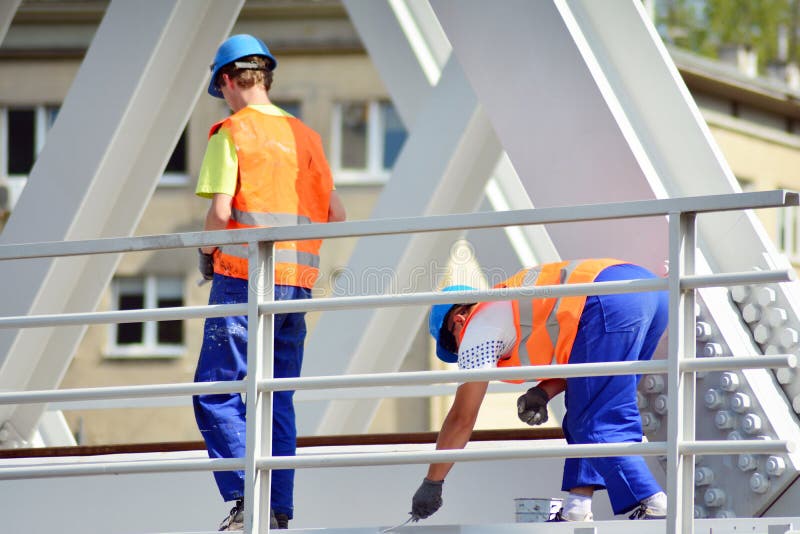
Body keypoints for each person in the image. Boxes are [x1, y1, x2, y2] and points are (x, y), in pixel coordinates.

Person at [192, 34, 346, 531]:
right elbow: (336, 215)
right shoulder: (307, 137)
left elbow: (219, 214)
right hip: (296, 283)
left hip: (242, 278)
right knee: (276, 395)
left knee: (216, 390)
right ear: (266, 77)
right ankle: (278, 510)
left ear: (227, 80)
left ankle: (243, 498)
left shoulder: (230, 133)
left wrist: (206, 251)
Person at [411, 258, 669, 523]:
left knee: (596, 421)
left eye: (454, 346)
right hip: (645, 290)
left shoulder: (478, 328)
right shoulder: (507, 308)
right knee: (586, 407)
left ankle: (654, 503)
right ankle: (578, 507)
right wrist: (544, 392)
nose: (459, 353)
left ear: (459, 319)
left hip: (606, 299)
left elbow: (461, 418)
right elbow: (580, 366)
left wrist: (434, 481)